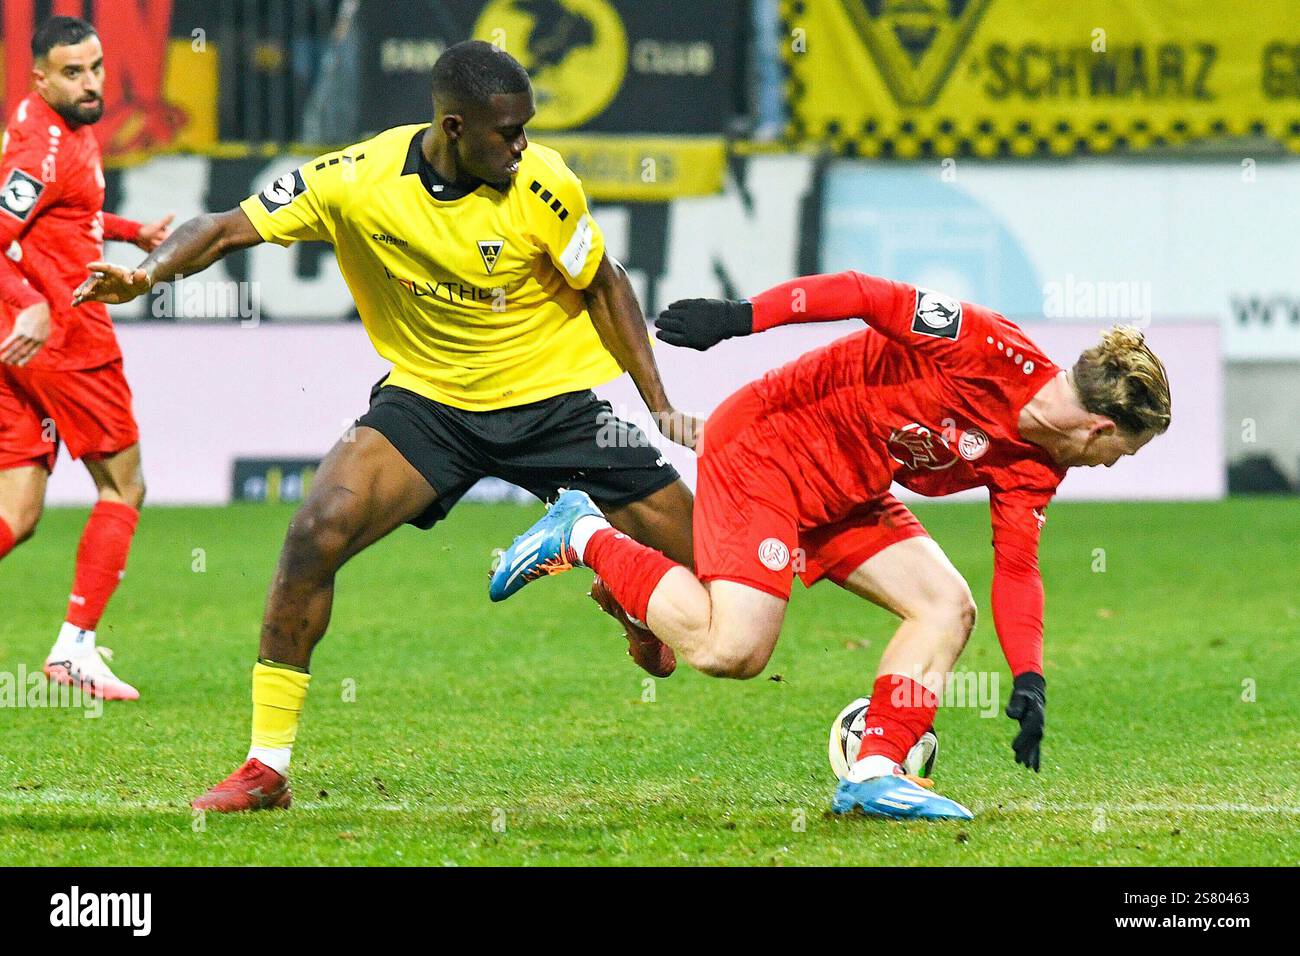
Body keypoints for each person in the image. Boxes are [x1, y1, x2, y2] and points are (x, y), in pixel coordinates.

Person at [74, 40, 696, 811]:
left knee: (715, 565)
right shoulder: (357, 179)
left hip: (553, 402)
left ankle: (629, 594)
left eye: (527, 129)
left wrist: (657, 403)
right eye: (508, 133)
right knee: (315, 531)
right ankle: (266, 768)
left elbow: (603, 283)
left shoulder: (543, 183)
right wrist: (149, 273)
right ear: (455, 125)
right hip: (431, 405)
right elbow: (227, 227)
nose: (523, 145)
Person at [491, 270, 1172, 820]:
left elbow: (1018, 570)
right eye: (1124, 450)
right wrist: (741, 317)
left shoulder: (1037, 464)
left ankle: (874, 771)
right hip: (768, 450)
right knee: (732, 650)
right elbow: (862, 294)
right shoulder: (988, 347)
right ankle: (581, 531)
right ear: (1097, 428)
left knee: (945, 606)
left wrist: (1029, 675)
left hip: (848, 492)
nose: (1114, 464)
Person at [0, 16, 173, 701]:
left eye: (96, 67)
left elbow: (64, 216)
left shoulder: (62, 128)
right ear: (40, 78)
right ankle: (74, 649)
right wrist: (34, 303)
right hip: (63, 337)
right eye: (73, 73)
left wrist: (132, 233)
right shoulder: (41, 145)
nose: (92, 82)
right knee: (124, 487)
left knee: (17, 510)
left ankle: (74, 649)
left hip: (22, 349)